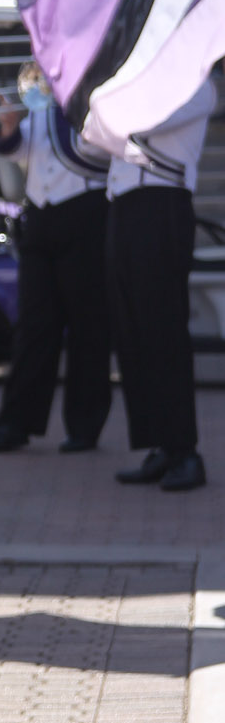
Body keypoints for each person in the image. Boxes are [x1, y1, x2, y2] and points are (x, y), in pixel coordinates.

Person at [0, 66, 111, 455]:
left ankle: (85, 427)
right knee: (34, 326)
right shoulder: (41, 95)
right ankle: (15, 424)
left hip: (85, 211)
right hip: (40, 215)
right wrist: (8, 125)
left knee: (88, 327)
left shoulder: (95, 94)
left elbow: (97, 150)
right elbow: (18, 150)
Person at [107, 77, 216, 493]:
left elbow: (140, 121)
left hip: (162, 205)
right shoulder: (137, 84)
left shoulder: (195, 85)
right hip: (123, 206)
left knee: (163, 330)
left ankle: (185, 451)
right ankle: (159, 445)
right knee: (132, 332)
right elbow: (92, 139)